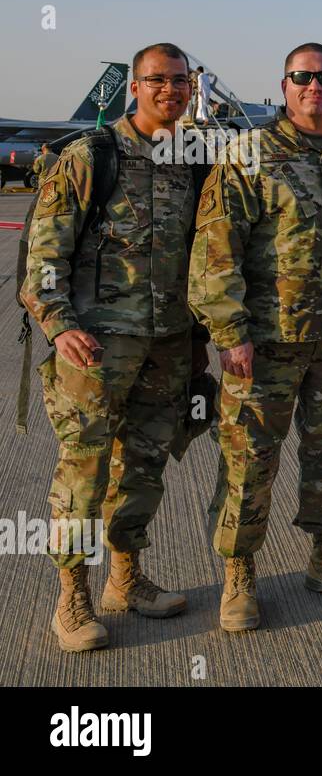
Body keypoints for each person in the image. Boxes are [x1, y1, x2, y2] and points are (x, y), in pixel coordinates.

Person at [190, 42, 322, 632]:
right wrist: (230, 334)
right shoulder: (248, 155)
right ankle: (239, 574)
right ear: (286, 83)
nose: (314, 87)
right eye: (303, 77)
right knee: (248, 461)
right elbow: (215, 251)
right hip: (264, 344)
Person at [22, 43, 205, 651]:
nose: (170, 90)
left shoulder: (195, 158)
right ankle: (71, 593)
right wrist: (59, 323)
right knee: (84, 470)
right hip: (96, 346)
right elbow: (44, 256)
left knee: (145, 466)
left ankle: (125, 579)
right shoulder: (90, 156)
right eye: (158, 80)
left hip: (169, 344)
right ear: (135, 84)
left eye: (180, 81)